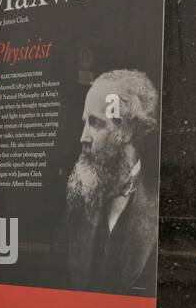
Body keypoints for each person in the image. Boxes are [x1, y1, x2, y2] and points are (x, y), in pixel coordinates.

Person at [63, 68, 160, 295]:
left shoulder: (159, 200)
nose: (83, 137)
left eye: (96, 123)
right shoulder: (75, 203)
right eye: (85, 122)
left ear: (127, 130)